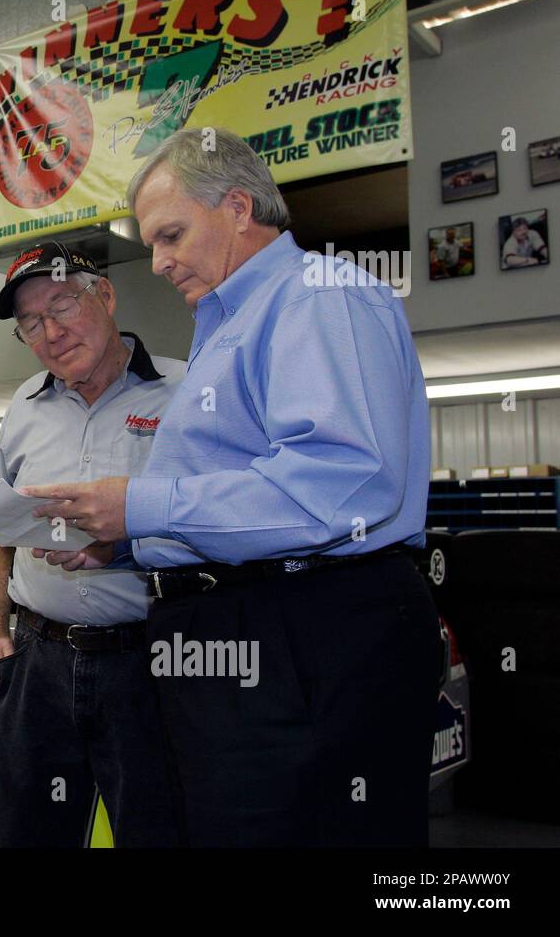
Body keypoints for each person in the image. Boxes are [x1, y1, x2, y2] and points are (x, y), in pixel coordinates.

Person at [24, 128, 442, 847]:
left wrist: (143, 506)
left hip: (304, 630)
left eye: (171, 235)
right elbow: (238, 494)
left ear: (240, 208)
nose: (158, 262)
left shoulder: (319, 296)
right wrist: (127, 544)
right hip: (244, 636)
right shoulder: (229, 327)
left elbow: (343, 486)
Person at [0, 241, 185, 847]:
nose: (51, 332)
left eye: (61, 304)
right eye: (30, 323)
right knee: (28, 834)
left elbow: (216, 524)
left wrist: (122, 545)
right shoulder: (24, 405)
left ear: (105, 296)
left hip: (150, 662)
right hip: (39, 662)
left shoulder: (186, 391)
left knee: (157, 830)